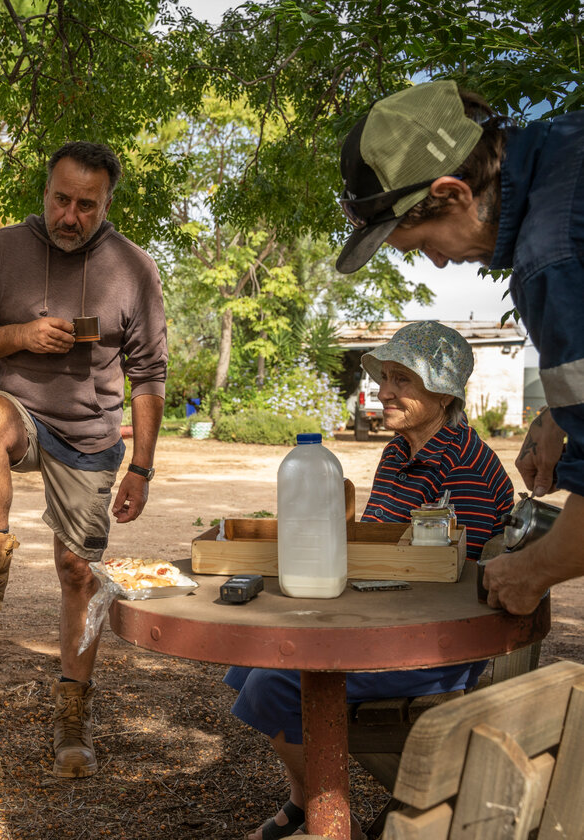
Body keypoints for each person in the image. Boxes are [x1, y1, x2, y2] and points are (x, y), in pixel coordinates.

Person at [0, 141, 167, 778]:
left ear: (107, 203)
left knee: (78, 572)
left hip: (90, 435)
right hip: (18, 412)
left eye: (87, 204)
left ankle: (72, 720)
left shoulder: (134, 269)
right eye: (61, 199)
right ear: (44, 190)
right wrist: (18, 335)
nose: (71, 214)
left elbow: (149, 376)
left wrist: (140, 468)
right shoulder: (0, 250)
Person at [226, 321, 514, 840]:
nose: (383, 391)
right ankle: (305, 806)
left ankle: (336, 824)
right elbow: (378, 547)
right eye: (384, 377)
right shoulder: (399, 455)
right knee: (249, 663)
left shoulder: (465, 467)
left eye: (401, 379)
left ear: (442, 390)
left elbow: (448, 587)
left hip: (436, 649)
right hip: (391, 627)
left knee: (272, 681)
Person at [333, 79, 584, 616]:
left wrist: (531, 571)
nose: (440, 262)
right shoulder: (568, 146)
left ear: (453, 193)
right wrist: (555, 418)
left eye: (426, 244)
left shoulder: (550, 260)